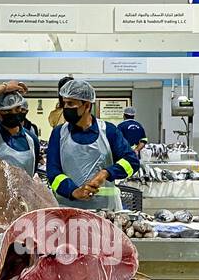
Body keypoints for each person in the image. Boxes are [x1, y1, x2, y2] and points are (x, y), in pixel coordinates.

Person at [45, 78, 139, 211]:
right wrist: (74, 191)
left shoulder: (108, 131)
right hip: (67, 209)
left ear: (87, 105)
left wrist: (105, 173)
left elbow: (132, 161)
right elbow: (53, 173)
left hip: (105, 211)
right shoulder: (59, 133)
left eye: (71, 104)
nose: (66, 108)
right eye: (64, 103)